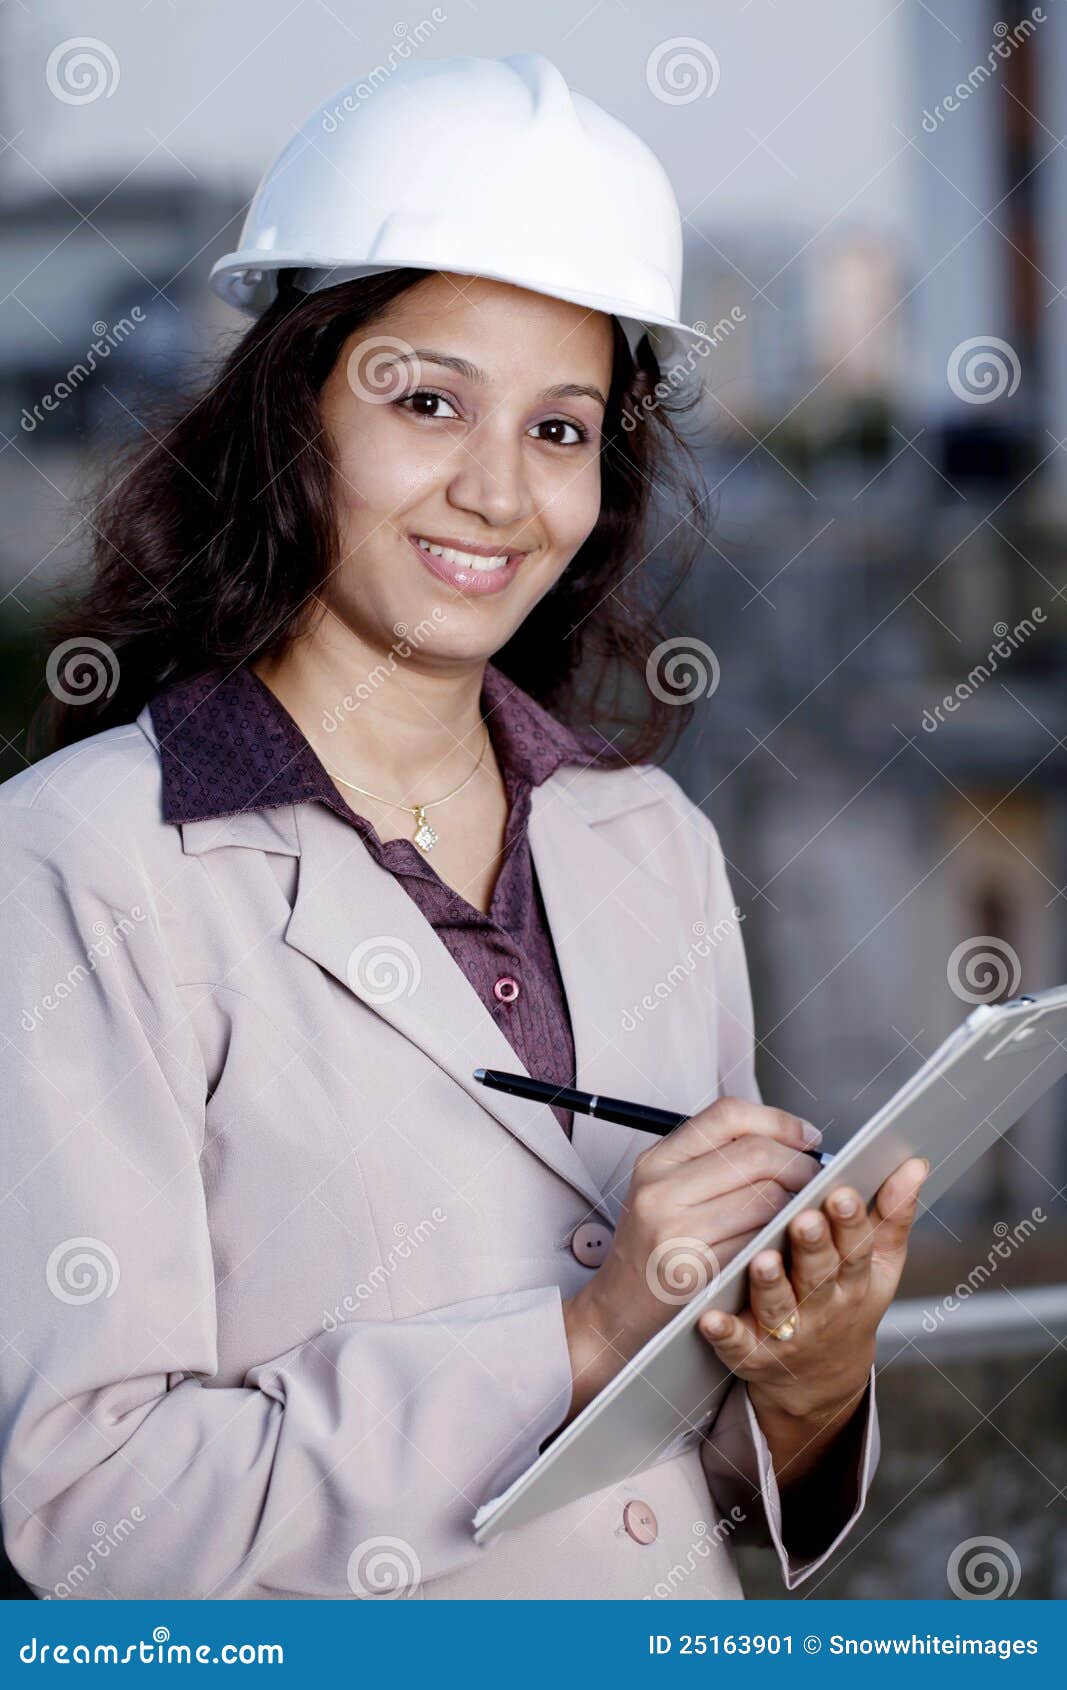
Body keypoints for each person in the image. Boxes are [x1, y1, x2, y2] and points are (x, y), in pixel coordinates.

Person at [0, 53, 926, 1601]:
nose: (499, 492)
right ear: (290, 407)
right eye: (428, 401)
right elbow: (93, 1515)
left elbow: (683, 1459)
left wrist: (805, 1380)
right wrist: (582, 1334)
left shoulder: (650, 844)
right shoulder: (80, 867)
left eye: (561, 430)